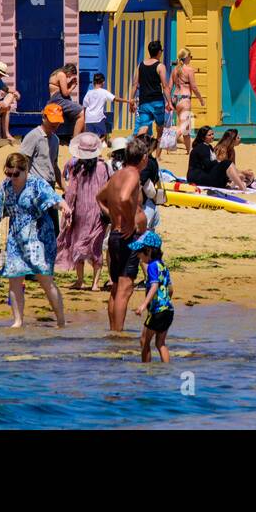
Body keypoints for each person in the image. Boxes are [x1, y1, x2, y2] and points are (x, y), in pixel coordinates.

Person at [0, 152, 66, 329]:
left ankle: (61, 320)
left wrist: (65, 207)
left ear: (26, 171)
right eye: (9, 173)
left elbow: (55, 199)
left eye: (16, 174)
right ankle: (17, 321)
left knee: (45, 280)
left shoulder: (37, 184)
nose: (12, 178)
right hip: (16, 238)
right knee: (15, 279)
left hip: (39, 238)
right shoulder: (5, 187)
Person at [99, 139, 150, 332]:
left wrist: (114, 216)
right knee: (125, 287)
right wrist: (129, 220)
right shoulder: (133, 175)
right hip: (128, 236)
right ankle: (118, 334)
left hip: (115, 235)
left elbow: (100, 197)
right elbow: (124, 197)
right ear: (144, 157)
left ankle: (114, 332)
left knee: (116, 287)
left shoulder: (118, 175)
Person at [56, 132, 111, 290]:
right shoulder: (103, 167)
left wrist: (68, 210)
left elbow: (71, 192)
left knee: (77, 244)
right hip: (99, 212)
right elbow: (108, 188)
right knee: (96, 246)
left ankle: (80, 280)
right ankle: (95, 283)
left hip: (79, 211)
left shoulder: (75, 166)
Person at [131, 231, 174, 362]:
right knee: (160, 343)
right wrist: (165, 301)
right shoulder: (162, 265)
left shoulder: (152, 266)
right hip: (168, 310)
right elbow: (171, 289)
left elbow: (154, 286)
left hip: (157, 312)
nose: (138, 255)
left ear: (148, 251)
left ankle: (146, 371)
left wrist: (144, 305)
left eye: (139, 251)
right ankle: (166, 370)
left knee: (144, 341)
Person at [130, 40, 171, 141]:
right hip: (157, 101)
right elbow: (165, 86)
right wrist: (169, 102)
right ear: (159, 52)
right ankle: (157, 155)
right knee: (160, 128)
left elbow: (135, 84)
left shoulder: (140, 65)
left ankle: (139, 149)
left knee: (143, 126)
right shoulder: (160, 66)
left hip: (144, 101)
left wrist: (131, 100)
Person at [20, 103, 65, 194]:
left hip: (50, 184)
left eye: (57, 122)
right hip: (35, 186)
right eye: (53, 121)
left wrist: (65, 188)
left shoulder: (55, 139)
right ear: (44, 118)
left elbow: (54, 165)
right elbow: (22, 162)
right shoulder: (33, 136)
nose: (55, 124)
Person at [167, 49, 204, 153]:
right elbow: (194, 87)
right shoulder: (189, 70)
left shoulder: (175, 70)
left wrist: (168, 101)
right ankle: (168, 141)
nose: (191, 58)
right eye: (190, 56)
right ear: (186, 57)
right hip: (185, 99)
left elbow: (169, 87)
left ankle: (189, 150)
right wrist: (201, 99)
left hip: (175, 98)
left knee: (186, 128)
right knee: (184, 126)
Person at [47, 63, 82, 135]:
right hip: (58, 100)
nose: (69, 77)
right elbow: (65, 93)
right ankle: (75, 140)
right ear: (69, 71)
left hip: (56, 99)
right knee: (82, 112)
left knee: (77, 112)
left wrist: (69, 84)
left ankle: (78, 136)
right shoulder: (62, 75)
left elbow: (59, 88)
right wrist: (72, 86)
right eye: (71, 75)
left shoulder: (56, 73)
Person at [78, 72, 115, 139]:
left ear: (93, 82)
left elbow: (85, 107)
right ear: (103, 82)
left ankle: (92, 146)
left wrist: (85, 120)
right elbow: (115, 99)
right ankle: (98, 144)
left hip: (89, 119)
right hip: (98, 118)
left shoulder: (89, 93)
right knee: (103, 135)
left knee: (90, 137)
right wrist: (128, 101)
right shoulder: (104, 92)